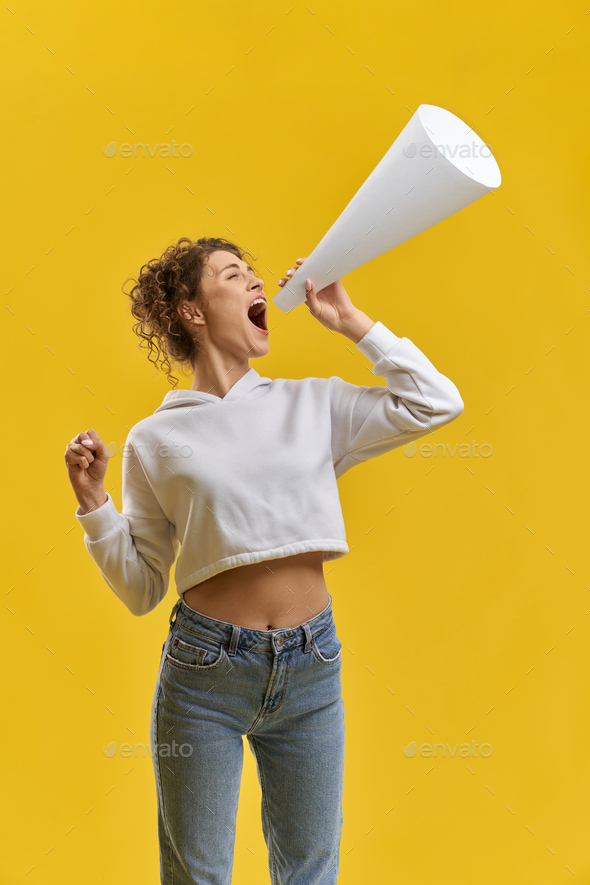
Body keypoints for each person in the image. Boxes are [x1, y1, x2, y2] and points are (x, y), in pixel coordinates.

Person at [64, 236, 464, 885]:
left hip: (311, 668)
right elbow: (141, 588)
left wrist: (351, 321)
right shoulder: (155, 439)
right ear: (192, 311)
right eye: (234, 275)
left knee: (310, 871)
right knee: (197, 875)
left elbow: (435, 401)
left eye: (254, 273)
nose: (257, 283)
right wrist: (94, 506)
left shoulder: (311, 404)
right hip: (204, 677)